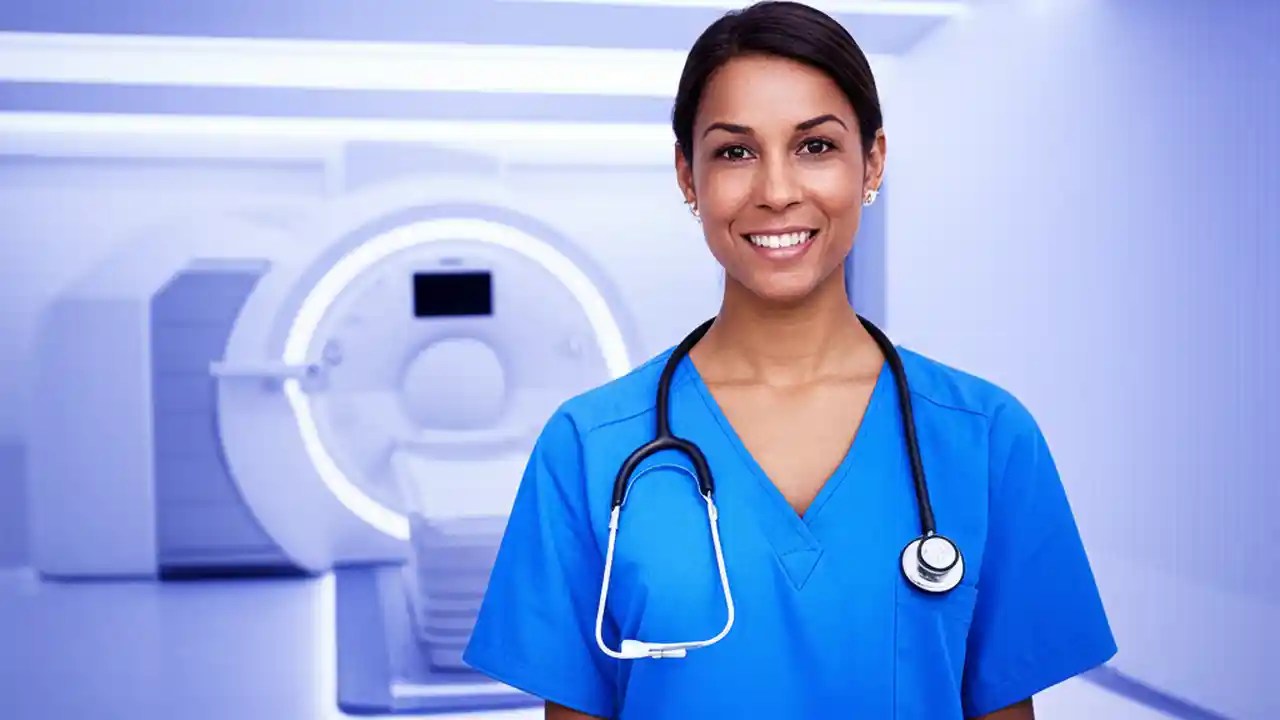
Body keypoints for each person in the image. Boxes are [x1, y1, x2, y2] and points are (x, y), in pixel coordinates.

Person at [462, 2, 1117, 718]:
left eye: (815, 146)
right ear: (688, 176)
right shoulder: (589, 447)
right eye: (735, 153)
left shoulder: (985, 438)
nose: (776, 192)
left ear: (872, 161)